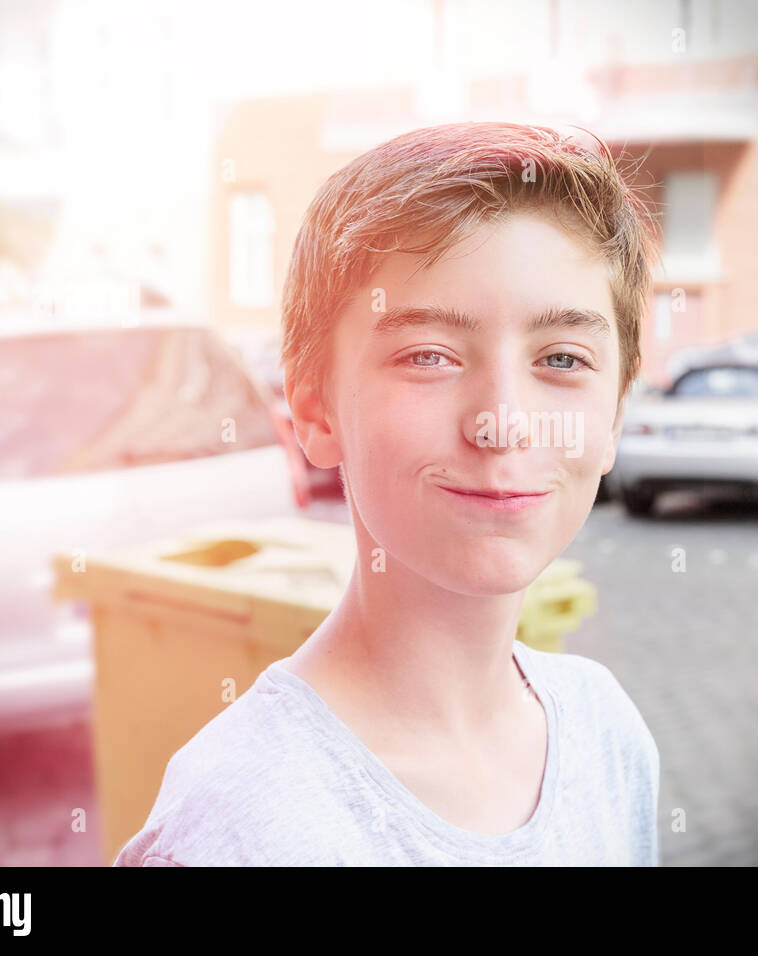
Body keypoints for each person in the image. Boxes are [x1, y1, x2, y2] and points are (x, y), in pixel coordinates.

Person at [114, 121, 661, 865]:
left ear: (616, 415)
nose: (501, 423)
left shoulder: (608, 734)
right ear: (314, 409)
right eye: (428, 355)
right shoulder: (238, 827)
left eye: (562, 358)